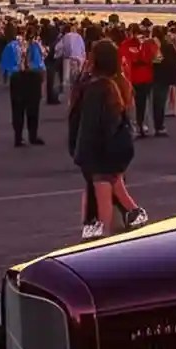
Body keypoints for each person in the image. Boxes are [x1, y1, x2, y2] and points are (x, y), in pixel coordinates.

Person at [70, 39, 137, 238]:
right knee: (109, 189)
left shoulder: (95, 86)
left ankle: (102, 233)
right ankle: (127, 218)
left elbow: (87, 121)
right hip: (113, 149)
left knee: (99, 192)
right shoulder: (121, 83)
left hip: (98, 149)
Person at [0, 25, 46, 147]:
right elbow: (40, 64)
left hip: (18, 78)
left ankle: (19, 137)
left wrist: (8, 75)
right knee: (33, 109)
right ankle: (32, 136)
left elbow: (4, 65)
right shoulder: (35, 45)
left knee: (18, 109)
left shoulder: (11, 46)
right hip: (32, 77)